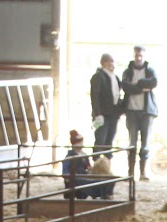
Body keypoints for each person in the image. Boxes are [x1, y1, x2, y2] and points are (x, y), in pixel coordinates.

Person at [120, 45, 158, 180]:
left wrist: (138, 84)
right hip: (131, 111)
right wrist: (142, 88)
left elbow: (154, 82)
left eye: (141, 55)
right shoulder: (127, 72)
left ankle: (142, 172)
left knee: (145, 143)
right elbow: (125, 87)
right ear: (133, 55)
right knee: (132, 142)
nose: (138, 58)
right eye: (136, 55)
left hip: (146, 111)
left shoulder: (150, 71)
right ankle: (130, 172)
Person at [61, 130, 113, 200]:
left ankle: (105, 192)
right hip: (77, 178)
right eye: (79, 142)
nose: (81, 144)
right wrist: (69, 177)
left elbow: (88, 166)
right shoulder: (70, 156)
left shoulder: (84, 155)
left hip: (84, 176)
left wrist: (91, 170)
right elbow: (65, 170)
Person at [89, 53, 123, 157]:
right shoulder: (98, 77)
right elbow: (95, 96)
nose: (111, 64)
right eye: (109, 61)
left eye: (112, 61)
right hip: (102, 115)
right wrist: (98, 114)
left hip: (113, 114)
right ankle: (97, 165)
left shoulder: (116, 78)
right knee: (100, 140)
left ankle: (107, 165)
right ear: (103, 63)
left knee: (109, 141)